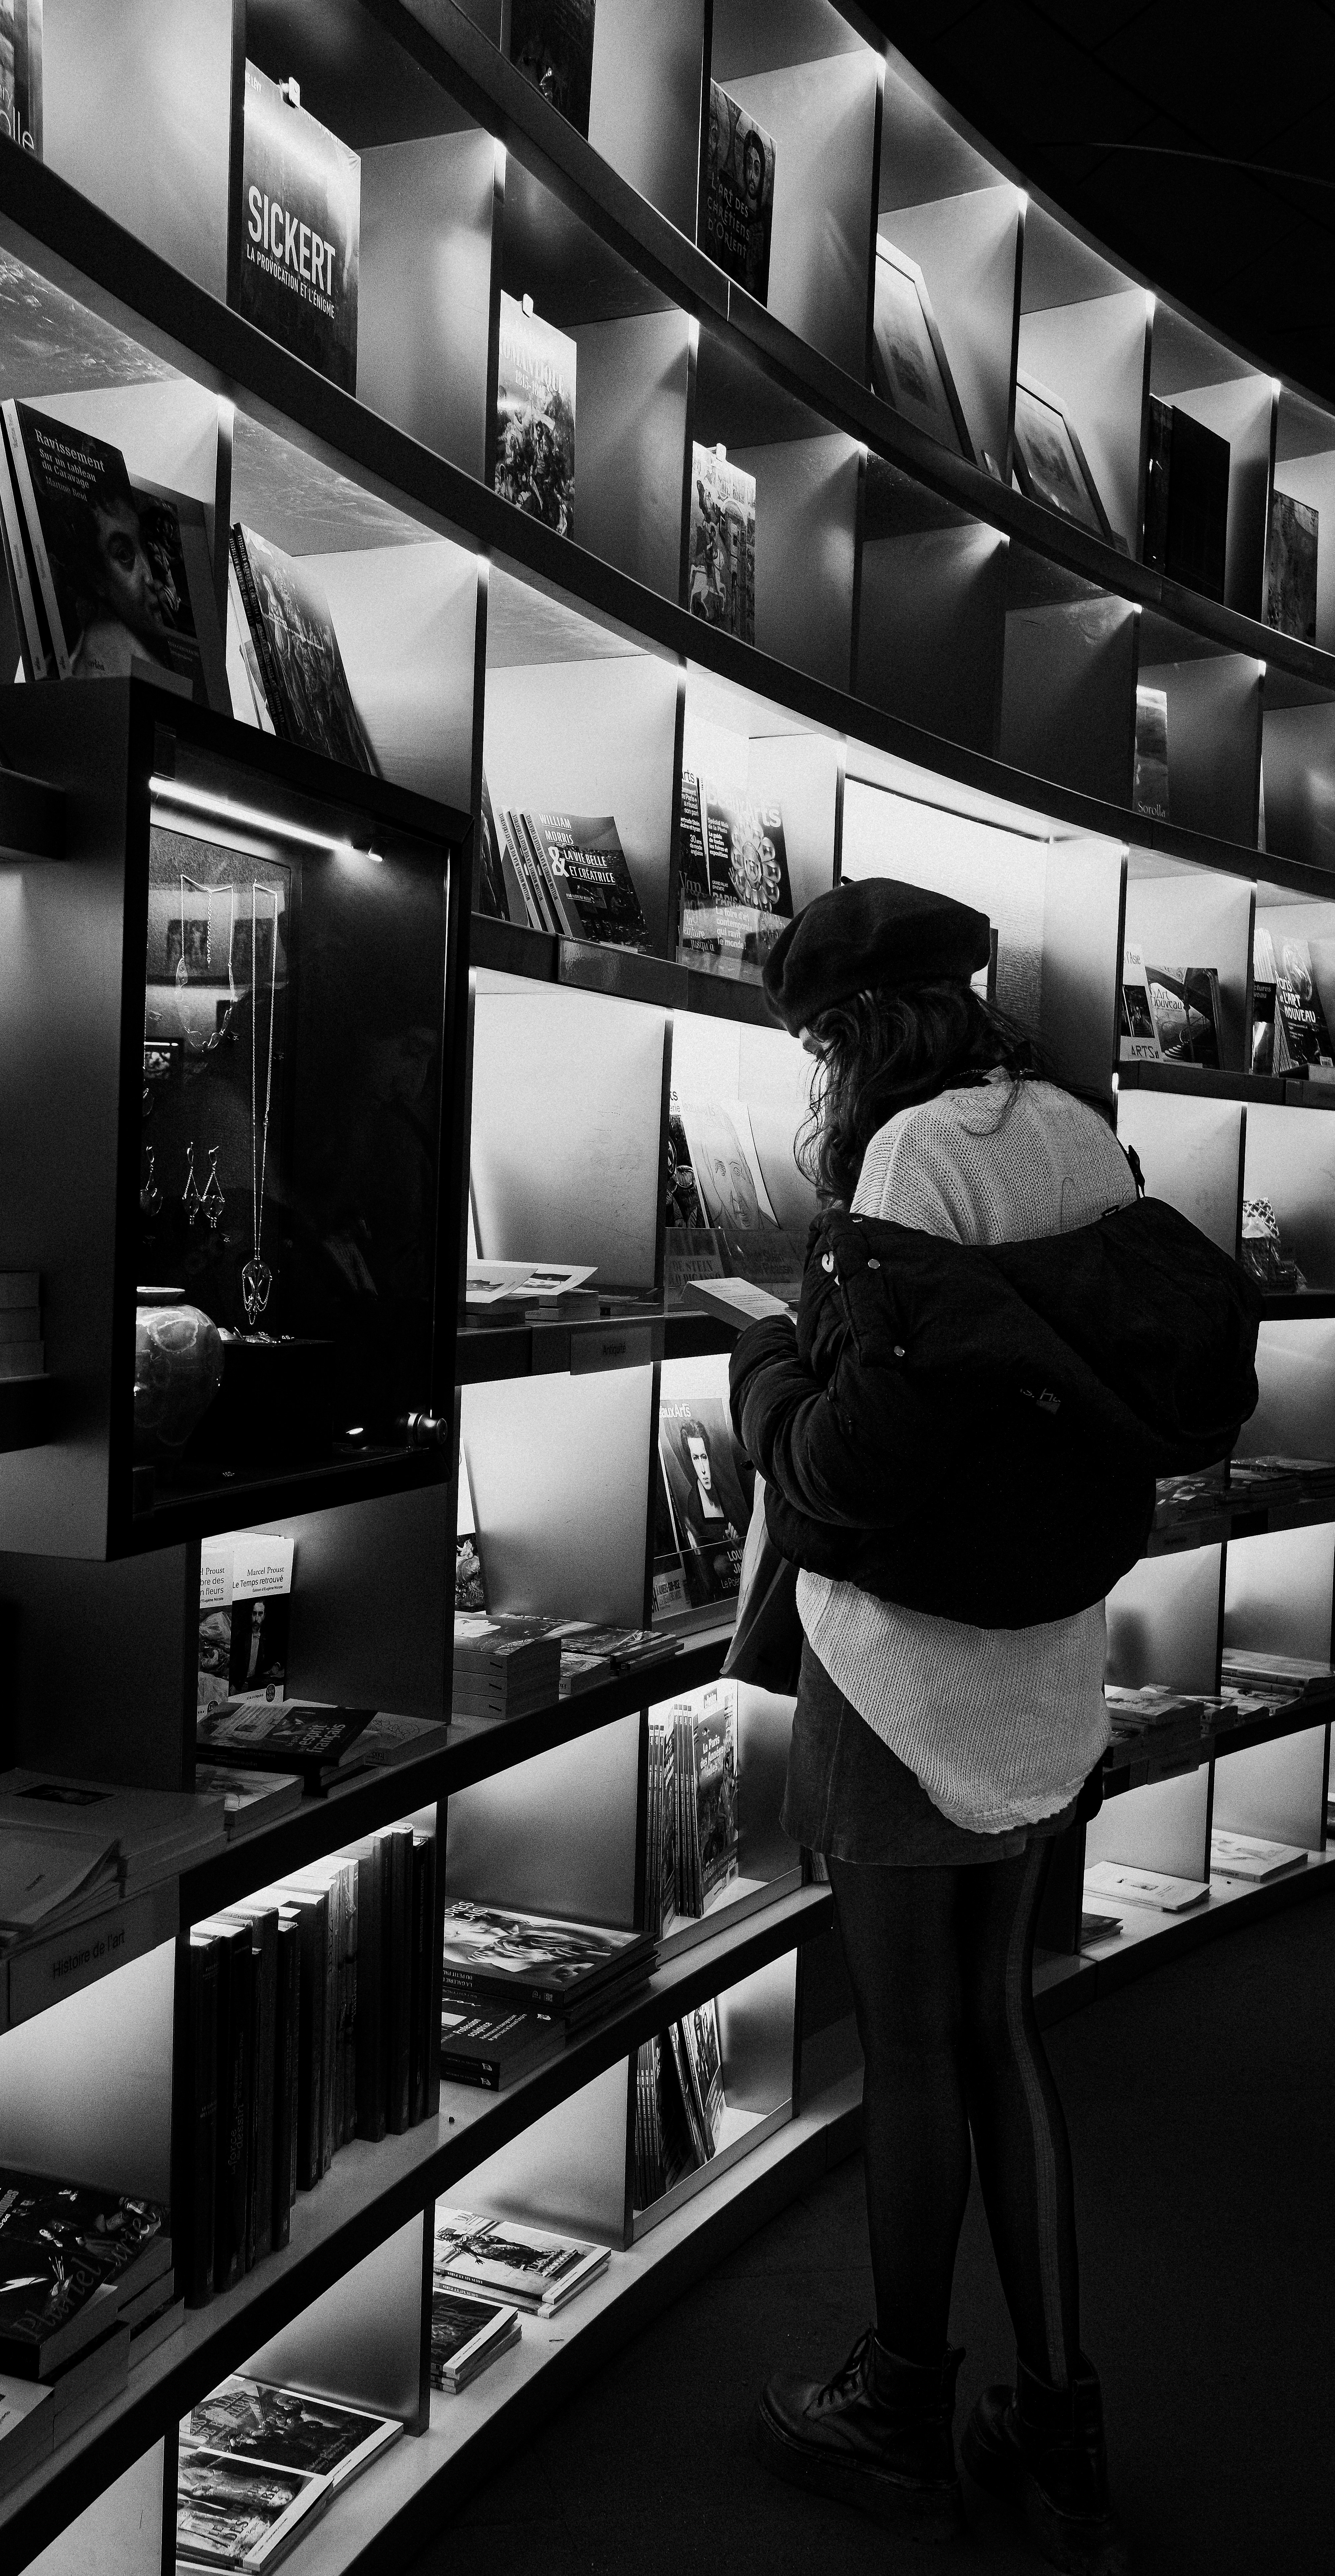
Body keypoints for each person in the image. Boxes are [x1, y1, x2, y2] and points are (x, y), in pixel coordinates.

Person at [728, 879, 1259, 2573]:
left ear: (858, 1027)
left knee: (908, 2049)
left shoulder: (907, 1165)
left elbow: (849, 1470)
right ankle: (1055, 2409)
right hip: (1041, 1647)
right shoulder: (1081, 1135)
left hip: (904, 1663)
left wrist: (758, 1379)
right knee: (1001, 2030)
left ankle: (896, 2404)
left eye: (819, 1035)